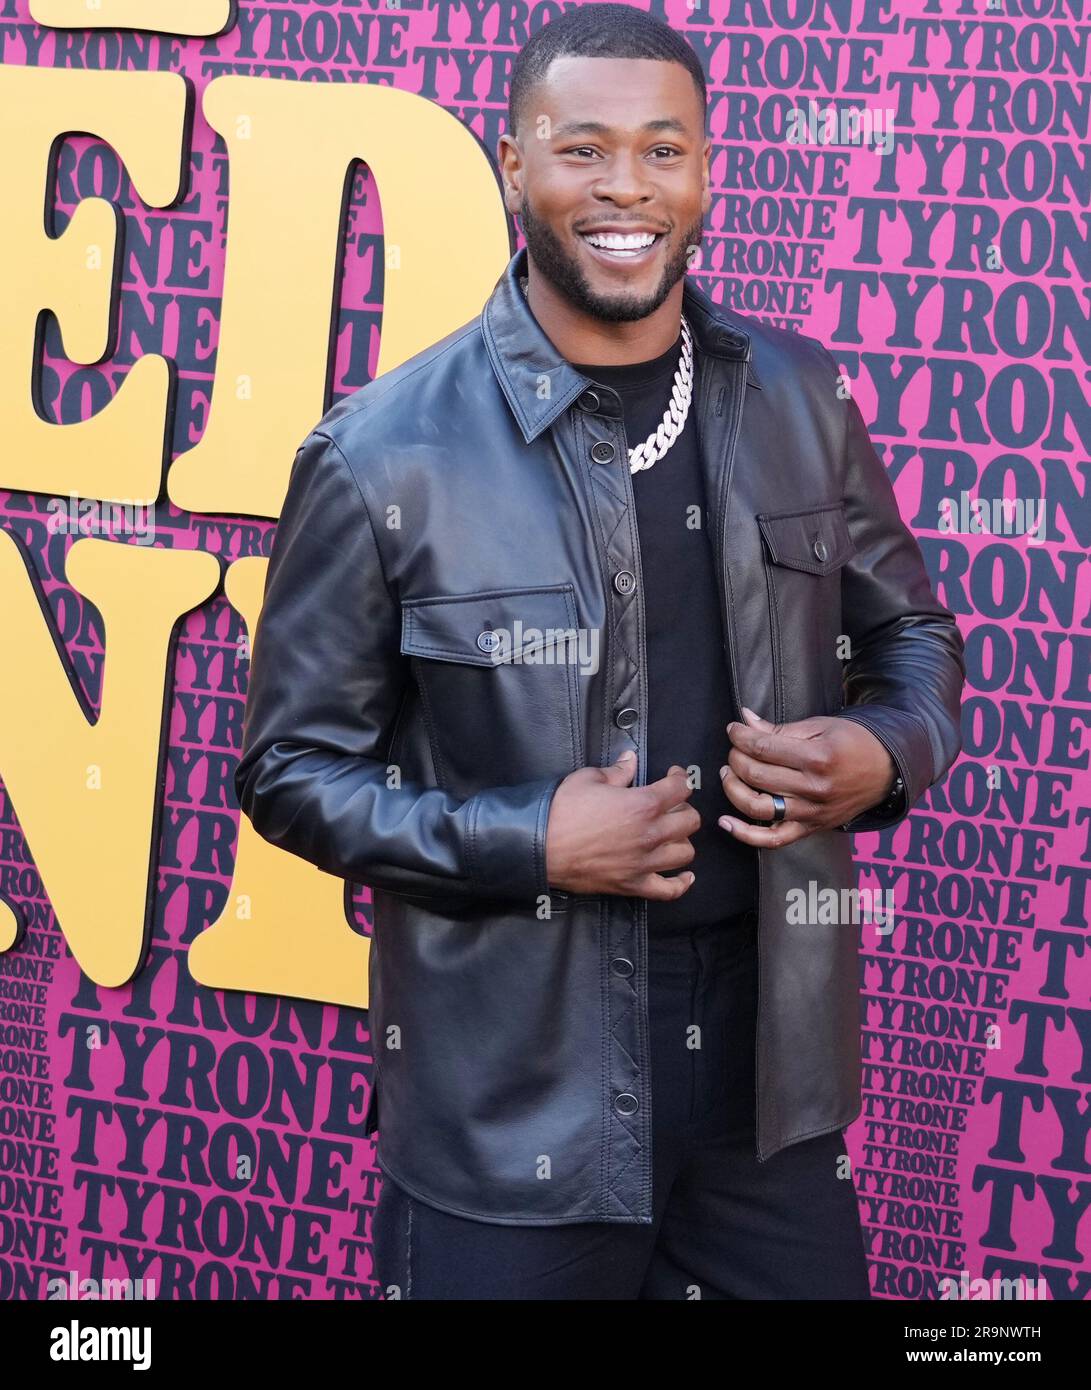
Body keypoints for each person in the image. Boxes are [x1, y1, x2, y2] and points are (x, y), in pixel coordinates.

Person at [234, 3, 965, 1299]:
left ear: (704, 172)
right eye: (581, 150)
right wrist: (531, 840)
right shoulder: (379, 453)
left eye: (661, 149)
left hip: (771, 1099)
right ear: (512, 165)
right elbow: (291, 769)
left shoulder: (801, 396)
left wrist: (882, 750)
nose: (624, 186)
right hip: (516, 1108)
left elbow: (911, 634)